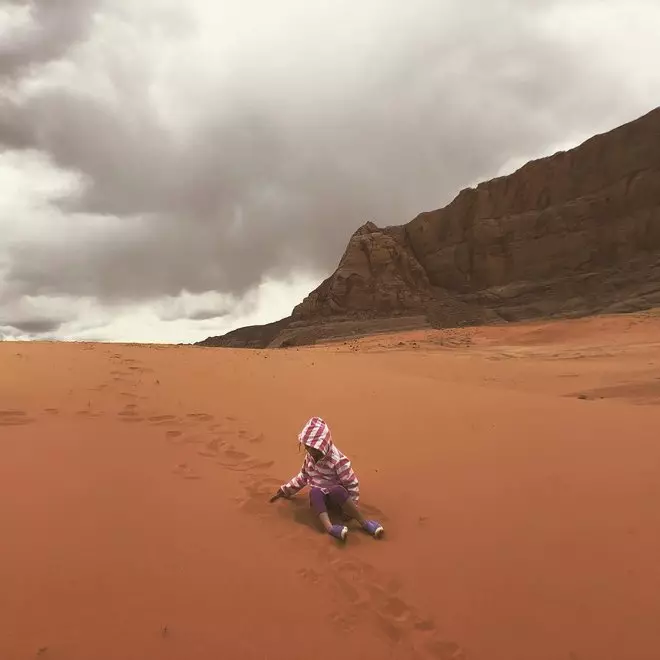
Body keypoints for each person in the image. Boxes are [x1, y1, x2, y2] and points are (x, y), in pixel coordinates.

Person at [269, 416, 384, 541]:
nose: (308, 449)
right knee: (314, 492)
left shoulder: (337, 460)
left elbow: (351, 483)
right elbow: (303, 476)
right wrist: (286, 490)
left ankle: (364, 523)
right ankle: (330, 528)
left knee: (337, 490)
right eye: (307, 445)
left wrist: (352, 507)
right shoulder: (310, 458)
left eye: (311, 447)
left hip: (338, 499)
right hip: (321, 501)